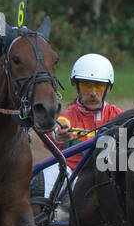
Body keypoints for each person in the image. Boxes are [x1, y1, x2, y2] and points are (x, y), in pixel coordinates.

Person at [35, 53, 122, 214]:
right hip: (73, 176)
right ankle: (46, 214)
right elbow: (57, 128)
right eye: (87, 86)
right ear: (76, 87)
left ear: (108, 88)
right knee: (41, 180)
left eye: (99, 86)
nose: (93, 93)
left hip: (107, 180)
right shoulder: (68, 117)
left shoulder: (117, 116)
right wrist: (59, 135)